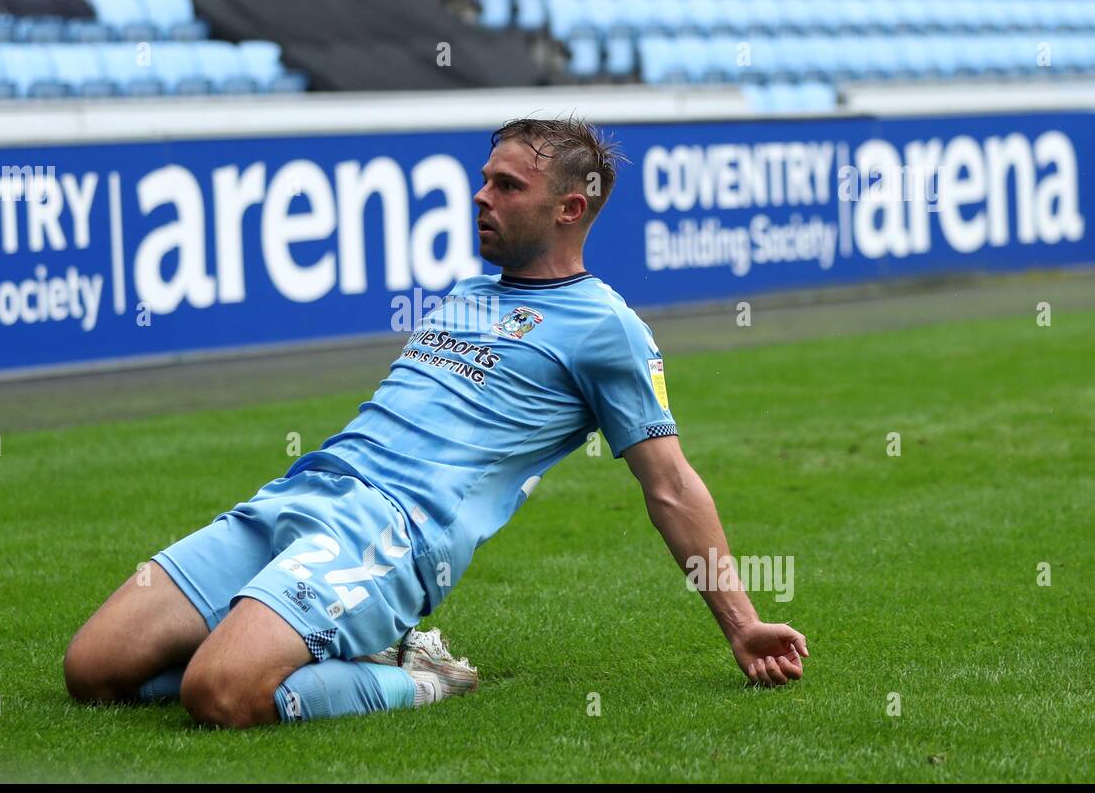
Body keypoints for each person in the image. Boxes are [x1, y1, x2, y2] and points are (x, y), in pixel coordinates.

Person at [63, 116, 808, 728]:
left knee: (218, 694)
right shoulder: (465, 290)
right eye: (484, 178)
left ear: (568, 208)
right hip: (303, 493)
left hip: (389, 534)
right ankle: (313, 637)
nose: (480, 196)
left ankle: (416, 674)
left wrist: (741, 624)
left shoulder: (606, 328)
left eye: (506, 186)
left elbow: (670, 485)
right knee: (93, 672)